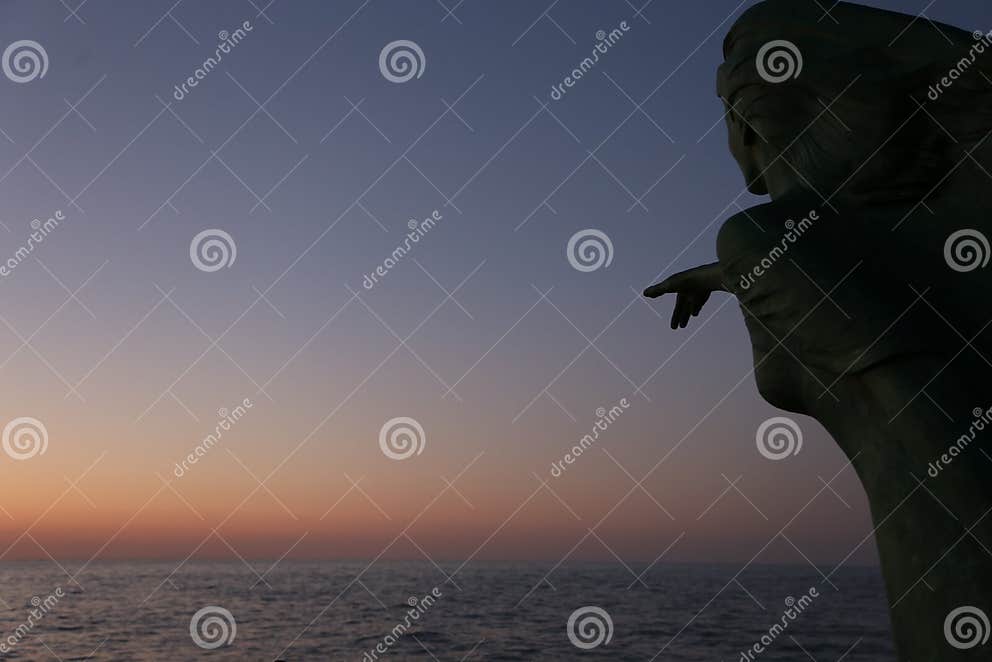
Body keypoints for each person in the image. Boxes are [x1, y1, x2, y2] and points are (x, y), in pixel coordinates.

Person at [644, 1, 992, 659]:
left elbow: (930, 423)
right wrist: (721, 275)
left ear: (746, 124)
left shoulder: (767, 241)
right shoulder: (926, 238)